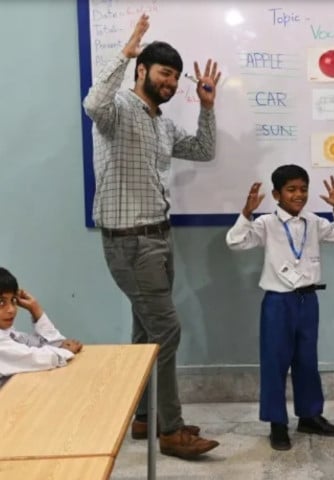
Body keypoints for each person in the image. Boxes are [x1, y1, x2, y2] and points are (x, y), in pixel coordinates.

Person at [82, 14, 221, 459]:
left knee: (146, 333)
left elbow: (203, 150)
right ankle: (173, 430)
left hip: (160, 238)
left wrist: (206, 105)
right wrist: (125, 52)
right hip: (129, 241)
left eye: (176, 77)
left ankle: (144, 417)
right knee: (167, 329)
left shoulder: (162, 123)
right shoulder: (116, 110)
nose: (171, 82)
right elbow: (91, 102)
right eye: (164, 72)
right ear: (142, 71)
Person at [225, 165, 334, 450]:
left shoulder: (314, 221)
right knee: (274, 362)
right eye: (291, 189)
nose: (299, 195)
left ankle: (309, 415)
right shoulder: (266, 225)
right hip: (278, 303)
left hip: (308, 301)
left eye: (303, 189)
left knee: (307, 361)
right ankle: (277, 424)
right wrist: (246, 214)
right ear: (276, 194)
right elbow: (235, 242)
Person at [0, 267, 82, 387]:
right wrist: (65, 352)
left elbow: (55, 343)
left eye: (13, 300)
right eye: (1, 302)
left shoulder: (8, 333)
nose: (11, 309)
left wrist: (35, 309)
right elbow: (34, 358)